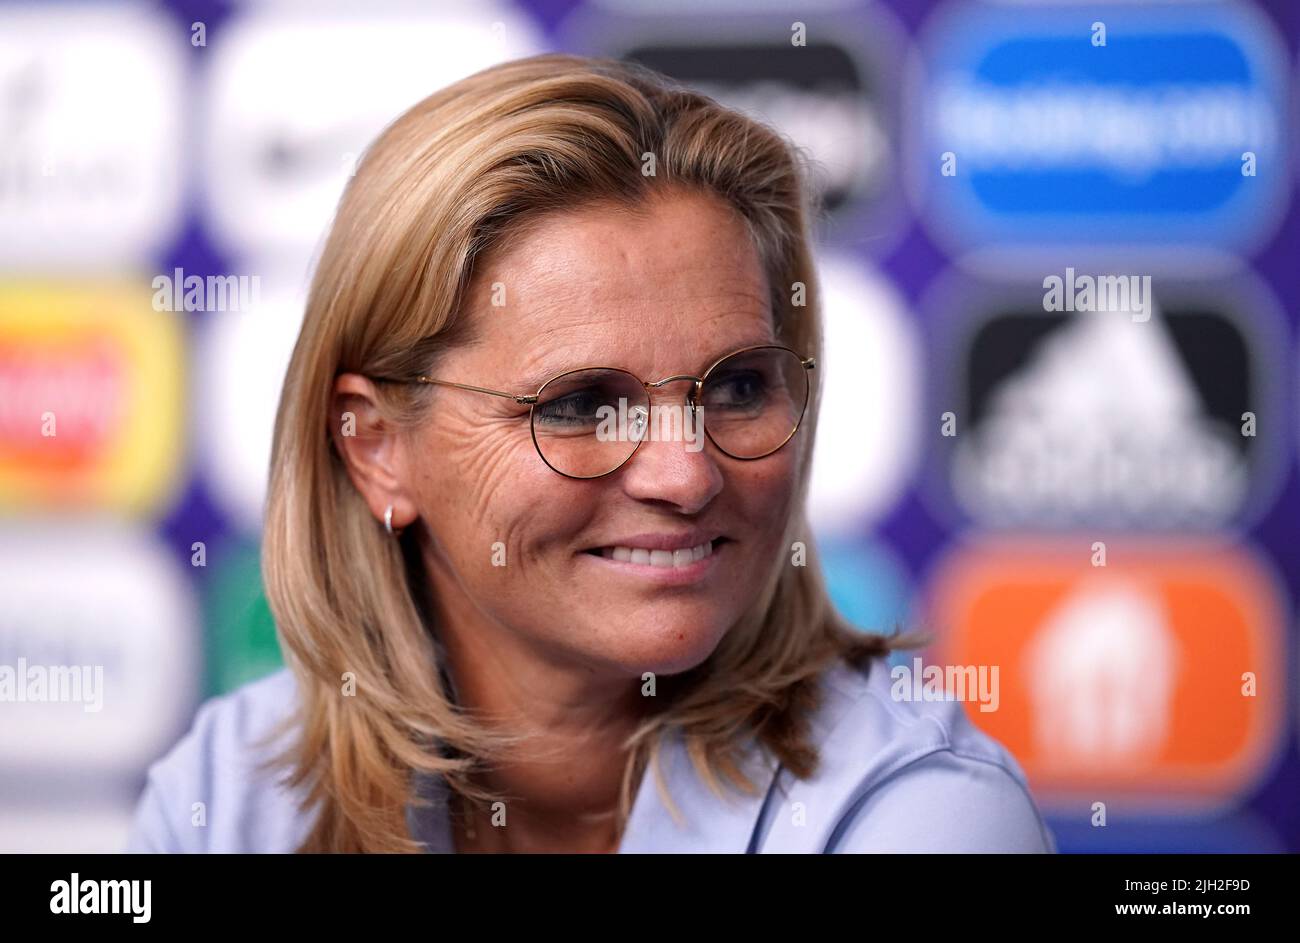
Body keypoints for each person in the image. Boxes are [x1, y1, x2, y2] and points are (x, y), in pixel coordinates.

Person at [125, 53, 1054, 854]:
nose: (684, 474)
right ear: (377, 449)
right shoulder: (230, 793)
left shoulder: (923, 815)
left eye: (736, 388)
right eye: (580, 405)